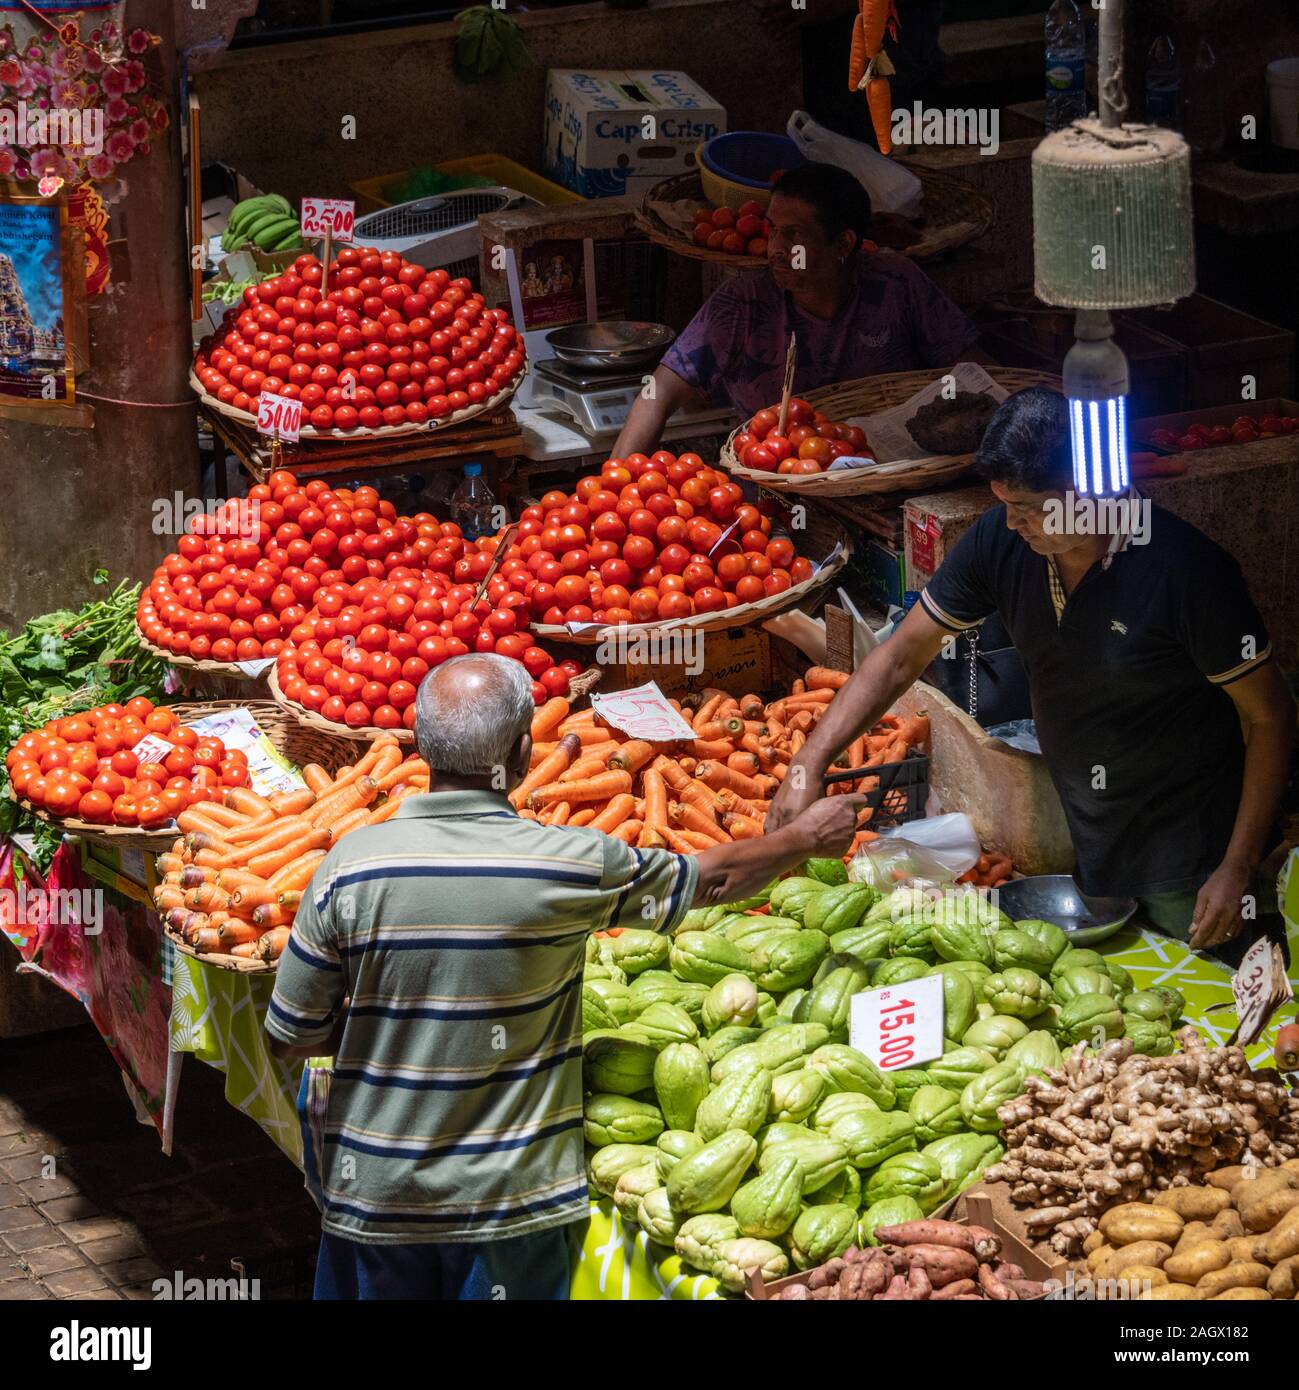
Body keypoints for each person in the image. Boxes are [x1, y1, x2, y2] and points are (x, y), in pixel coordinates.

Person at [266, 653, 867, 1301]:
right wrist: (802, 837)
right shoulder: (566, 863)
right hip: (506, 1205)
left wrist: (399, 1038)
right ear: (524, 751)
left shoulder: (347, 864)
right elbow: (711, 880)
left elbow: (291, 1035)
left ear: (420, 747)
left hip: (376, 1193)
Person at [767, 387, 1295, 958]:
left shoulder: (1185, 572)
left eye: (1033, 507)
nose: (1015, 523)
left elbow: (1271, 716)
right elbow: (898, 657)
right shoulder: (1003, 540)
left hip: (1194, 857)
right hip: (1092, 847)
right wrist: (808, 763)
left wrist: (1237, 867)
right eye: (1005, 504)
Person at [614, 162, 984, 457]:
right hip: (781, 489)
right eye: (773, 229)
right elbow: (657, 394)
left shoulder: (895, 284)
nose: (775, 246)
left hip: (888, 471)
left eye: (794, 235)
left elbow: (973, 366)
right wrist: (613, 491)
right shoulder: (743, 303)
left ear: (843, 243)